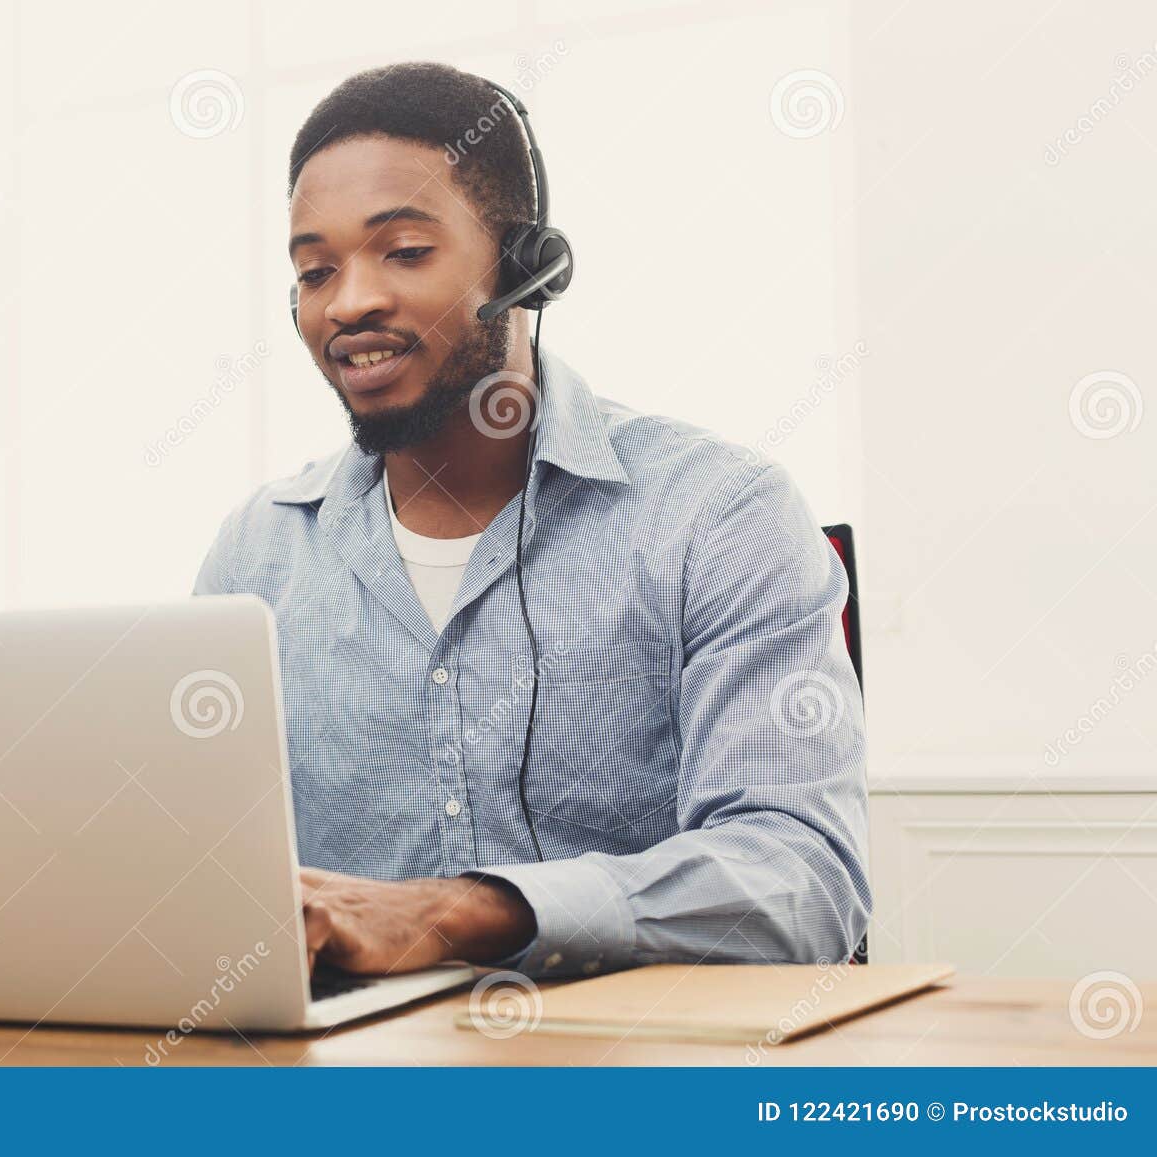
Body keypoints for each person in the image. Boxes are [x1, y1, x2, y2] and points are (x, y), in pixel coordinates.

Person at [193, 62, 869, 980]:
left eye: (404, 251)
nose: (348, 303)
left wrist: (459, 912)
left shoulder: (719, 514)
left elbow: (804, 878)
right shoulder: (258, 551)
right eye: (316, 271)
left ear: (526, 269)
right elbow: (197, 874)